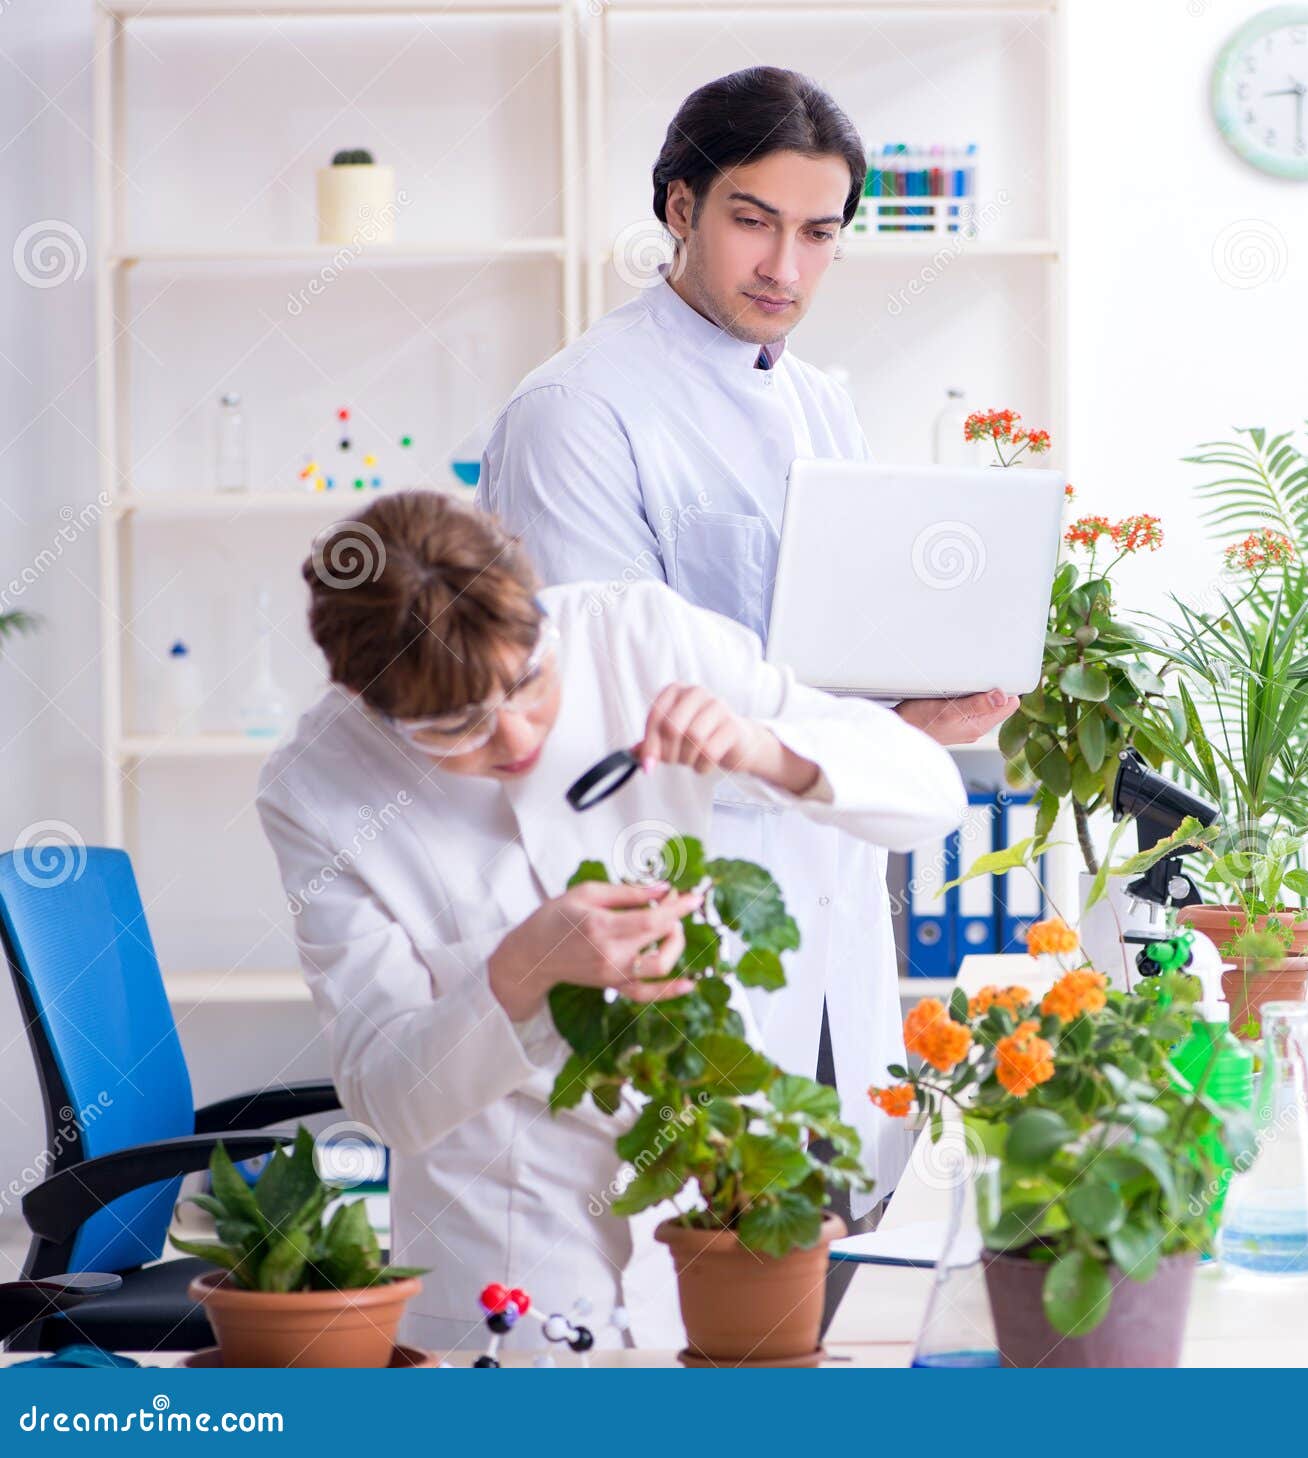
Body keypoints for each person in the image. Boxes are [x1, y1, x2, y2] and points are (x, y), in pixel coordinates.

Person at [478, 66, 1016, 1214]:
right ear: (680, 209)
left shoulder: (823, 402)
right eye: (751, 222)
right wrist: (869, 733)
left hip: (833, 907)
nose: (784, 268)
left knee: (842, 1254)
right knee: (707, 1278)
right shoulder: (576, 412)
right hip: (685, 917)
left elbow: (829, 668)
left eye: (818, 233)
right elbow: (613, 716)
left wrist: (916, 708)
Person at [255, 491, 964, 1354]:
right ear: (371, 702)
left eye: (528, 683)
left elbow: (930, 793)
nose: (514, 736)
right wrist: (516, 974)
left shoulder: (634, 636)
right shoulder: (319, 788)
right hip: (505, 1245)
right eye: (455, 727)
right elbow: (387, 1094)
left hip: (709, 1209)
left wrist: (761, 748)